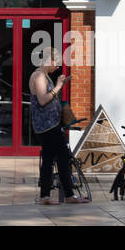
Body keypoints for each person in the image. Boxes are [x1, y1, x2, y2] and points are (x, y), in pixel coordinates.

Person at [31, 46, 87, 204]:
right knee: (63, 156)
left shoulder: (42, 75)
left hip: (48, 125)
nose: (57, 66)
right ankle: (69, 195)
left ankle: (45, 196)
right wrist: (58, 86)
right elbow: (42, 99)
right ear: (49, 59)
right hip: (47, 126)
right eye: (56, 62)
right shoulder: (40, 76)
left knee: (49, 159)